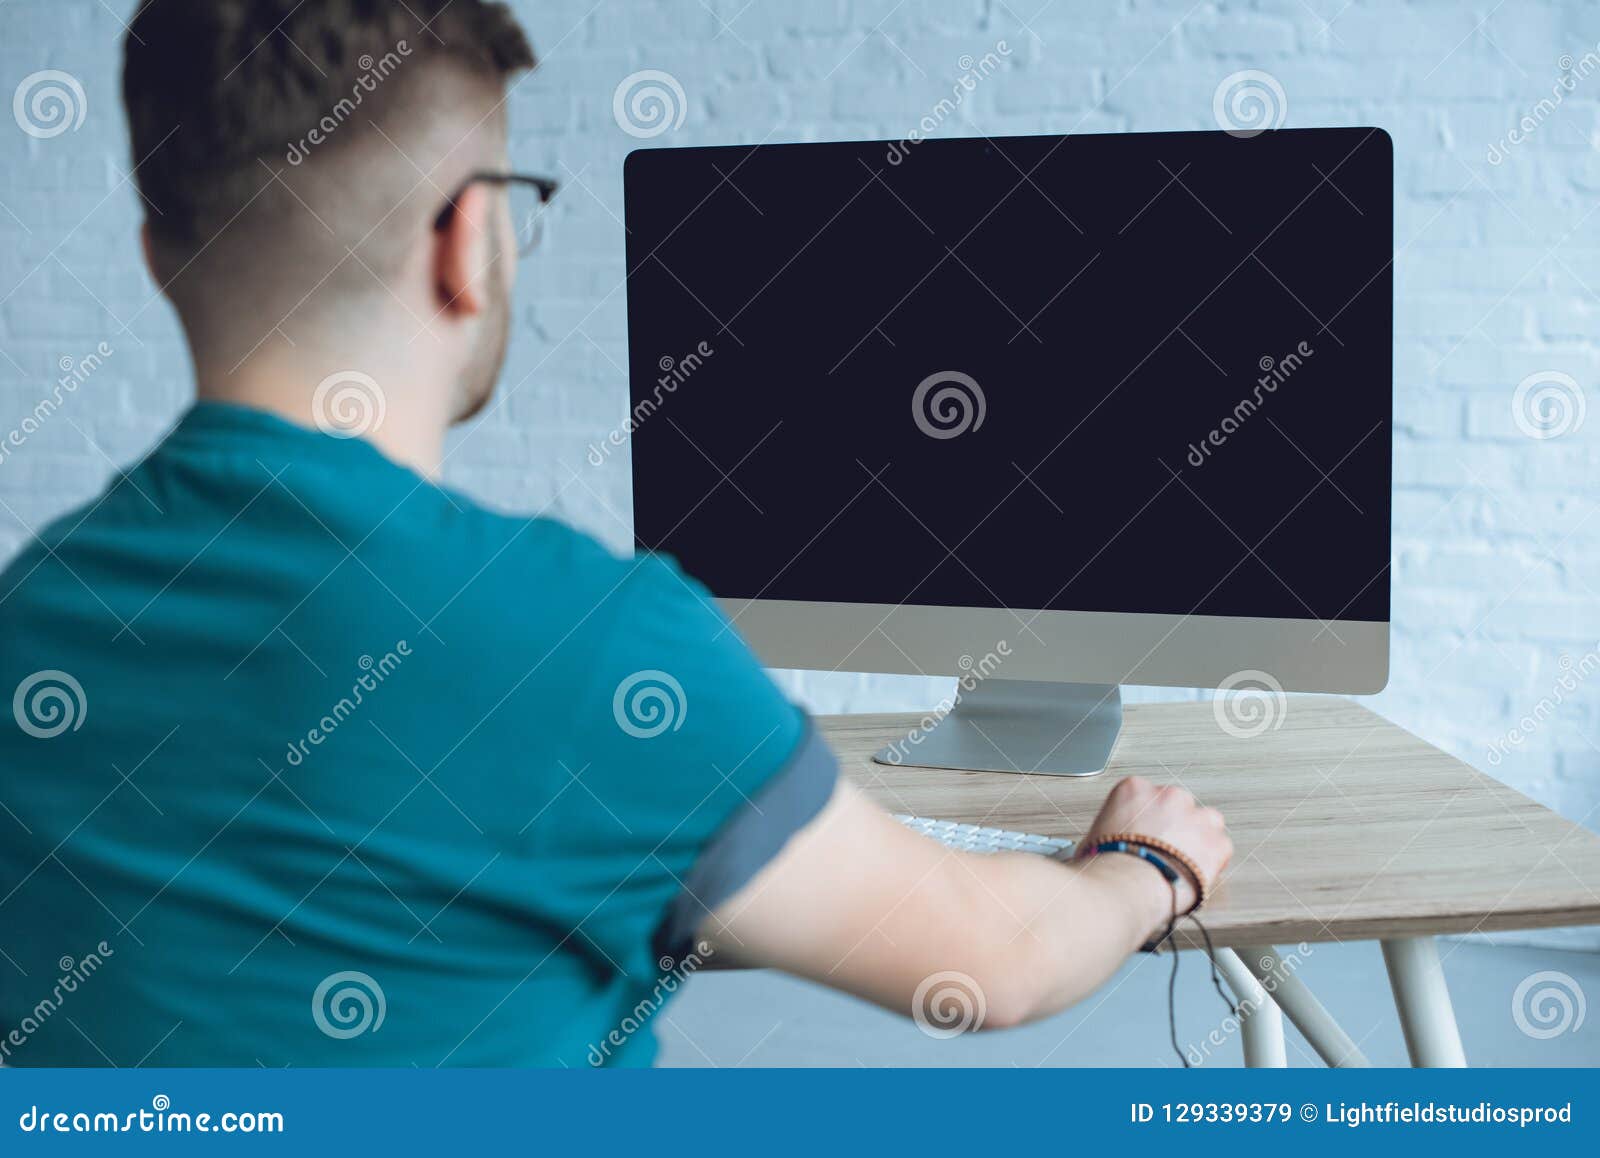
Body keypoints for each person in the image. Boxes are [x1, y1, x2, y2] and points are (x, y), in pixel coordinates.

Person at [0, 0, 1232, 1067]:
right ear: (467, 240)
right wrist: (1143, 864)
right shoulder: (583, 643)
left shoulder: (31, 616)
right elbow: (993, 962)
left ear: (159, 255)